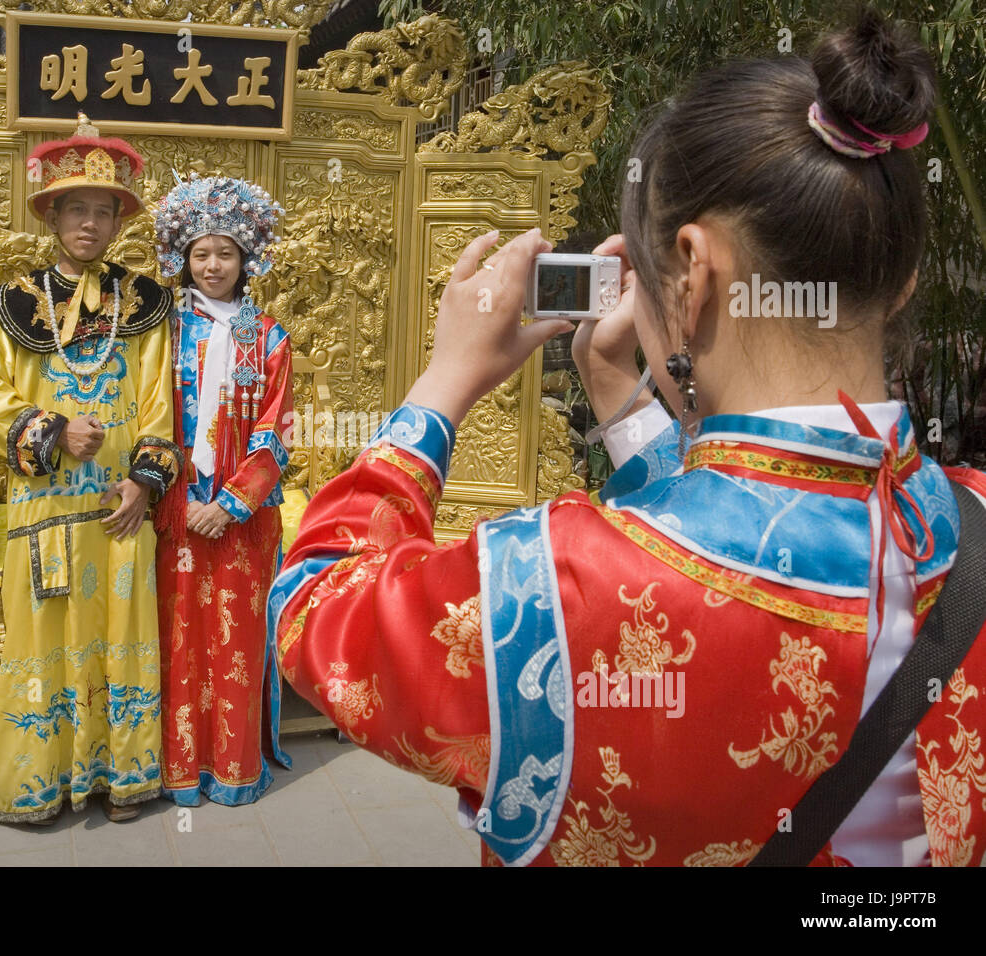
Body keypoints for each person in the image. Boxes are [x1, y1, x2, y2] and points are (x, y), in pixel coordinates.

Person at [266, 11, 986, 865]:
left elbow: (315, 609)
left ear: (694, 265)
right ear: (903, 283)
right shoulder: (971, 522)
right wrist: (621, 400)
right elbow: (750, 533)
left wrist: (442, 385)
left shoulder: (545, 591)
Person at [0, 114, 181, 825]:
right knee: (45, 641)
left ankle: (121, 780)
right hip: (45, 506)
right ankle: (39, 784)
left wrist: (144, 484)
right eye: (76, 209)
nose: (90, 223)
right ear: (52, 215)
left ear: (119, 219)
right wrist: (51, 431)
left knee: (119, 637)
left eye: (103, 210)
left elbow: (158, 400)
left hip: (118, 509)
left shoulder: (144, 304)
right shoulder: (13, 305)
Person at [151, 173, 294, 805]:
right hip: (176, 505)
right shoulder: (161, 330)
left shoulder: (269, 338)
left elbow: (276, 431)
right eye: (201, 253)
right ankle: (179, 768)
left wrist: (232, 503)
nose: (213, 266)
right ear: (184, 258)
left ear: (247, 259)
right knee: (176, 637)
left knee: (235, 638)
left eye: (226, 253)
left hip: (241, 515)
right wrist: (178, 497)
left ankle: (235, 769)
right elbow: (148, 416)